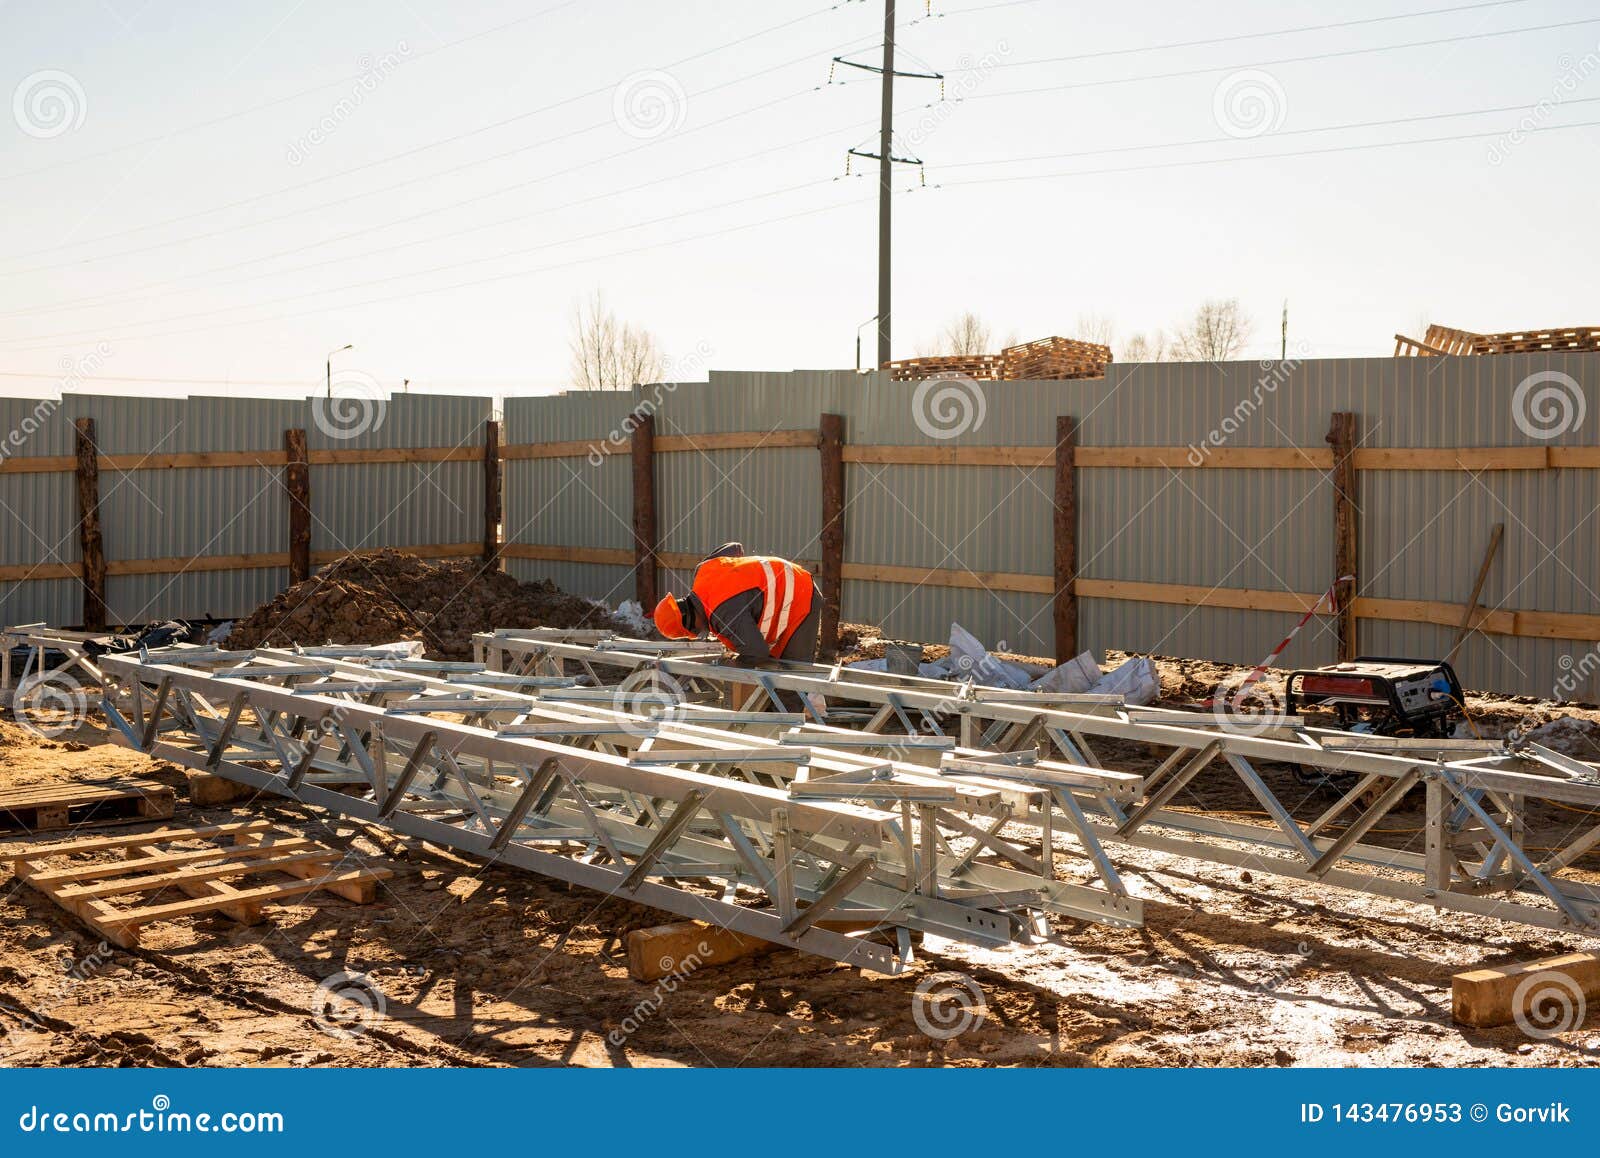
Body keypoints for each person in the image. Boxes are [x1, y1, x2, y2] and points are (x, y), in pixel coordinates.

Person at [652, 542, 820, 664]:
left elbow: (757, 653)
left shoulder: (723, 614)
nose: (701, 631)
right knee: (774, 667)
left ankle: (792, 711)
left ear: (688, 623)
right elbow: (735, 548)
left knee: (792, 677)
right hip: (790, 581)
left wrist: (731, 666)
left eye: (694, 630)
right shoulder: (702, 571)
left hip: (802, 596)